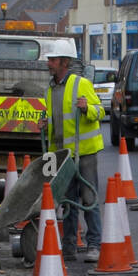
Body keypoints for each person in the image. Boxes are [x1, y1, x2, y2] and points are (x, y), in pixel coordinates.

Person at [41, 40, 103, 263]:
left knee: (88, 198)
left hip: (84, 152)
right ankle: (68, 247)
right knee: (67, 201)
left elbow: (100, 111)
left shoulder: (81, 84)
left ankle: (94, 244)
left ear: (64, 62)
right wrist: (44, 124)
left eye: (53, 60)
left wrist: (87, 108)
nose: (49, 63)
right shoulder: (50, 88)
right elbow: (56, 120)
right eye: (49, 59)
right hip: (62, 155)